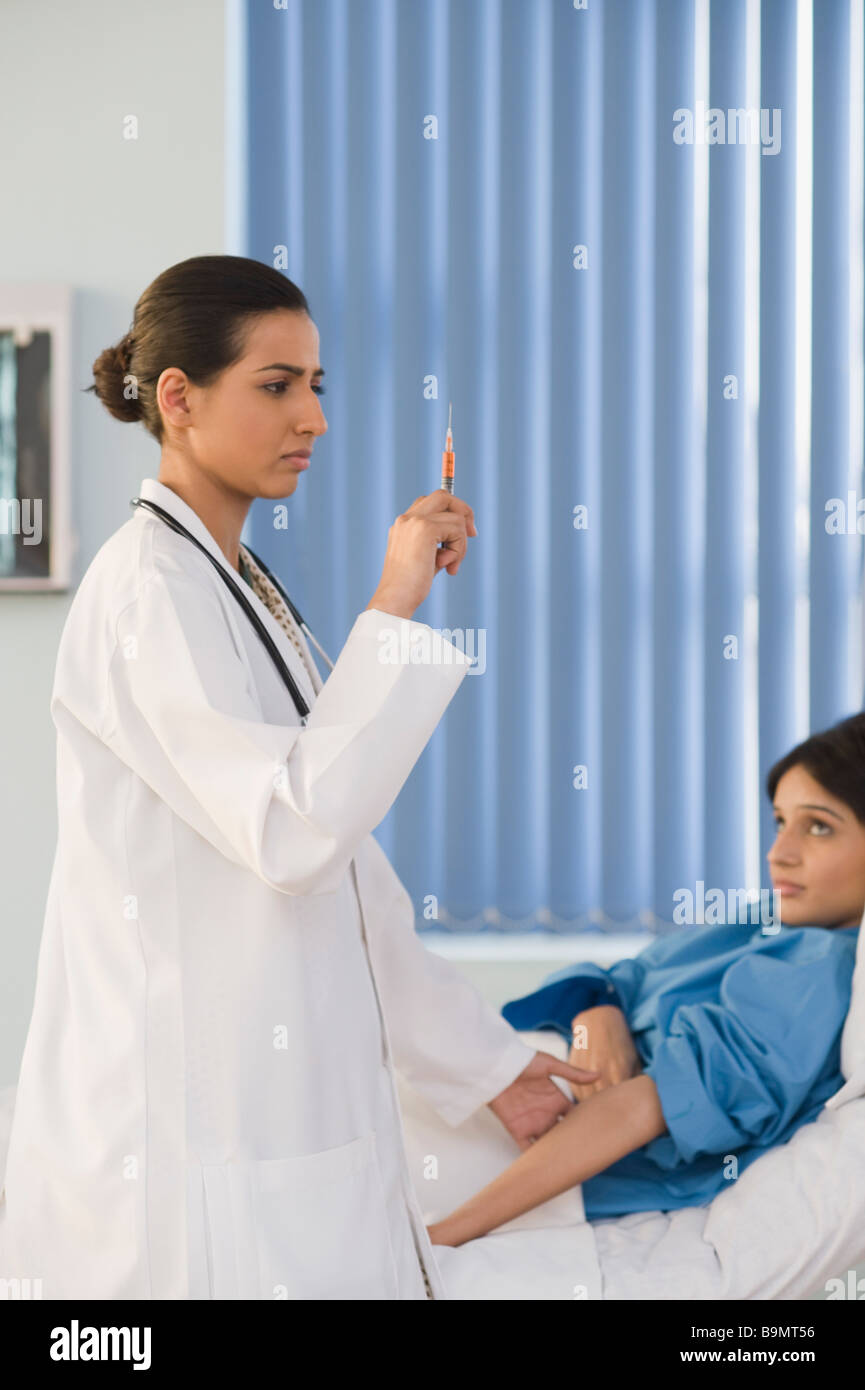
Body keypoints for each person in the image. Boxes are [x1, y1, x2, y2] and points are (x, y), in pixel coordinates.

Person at [0, 254, 596, 1301]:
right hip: (186, 1137)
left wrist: (485, 1066)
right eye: (277, 386)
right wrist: (394, 603)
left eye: (317, 385)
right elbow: (293, 833)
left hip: (276, 1118)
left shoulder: (238, 586)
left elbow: (347, 872)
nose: (313, 418)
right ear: (176, 399)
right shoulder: (147, 592)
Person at [426, 713, 865, 1248]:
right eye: (780, 821)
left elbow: (646, 1107)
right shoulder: (762, 922)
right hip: (508, 1087)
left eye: (819, 826)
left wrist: (443, 1236)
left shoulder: (816, 974)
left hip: (524, 1148)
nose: (779, 852)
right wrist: (598, 1012)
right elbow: (614, 978)